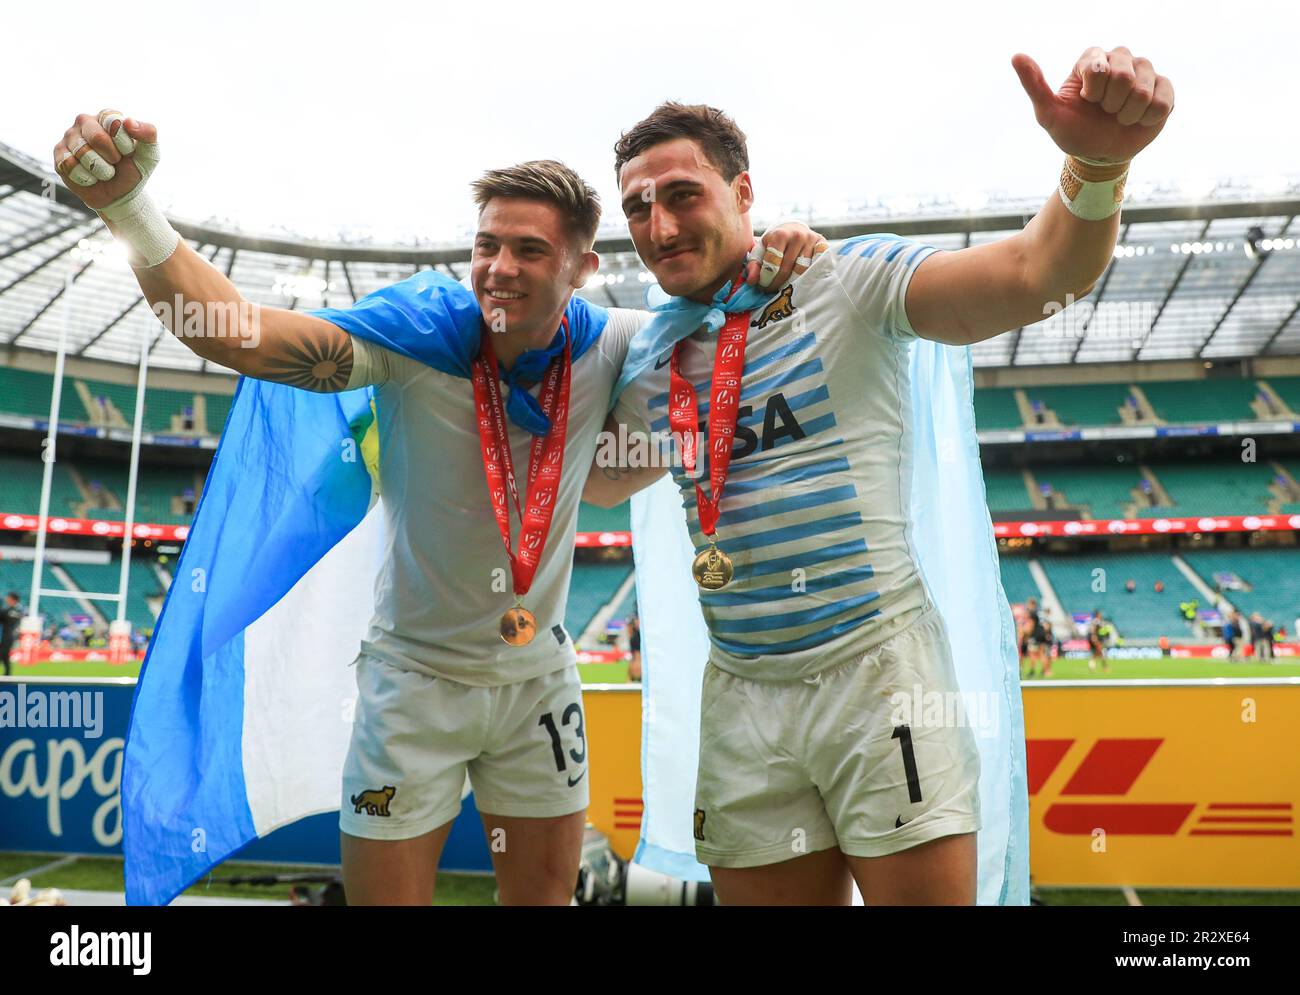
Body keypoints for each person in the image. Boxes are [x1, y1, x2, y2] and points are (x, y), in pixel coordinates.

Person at [54, 108, 823, 906]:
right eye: (487, 245)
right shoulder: (411, 338)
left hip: (538, 683)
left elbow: (725, 310)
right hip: (410, 681)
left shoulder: (618, 343)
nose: (499, 267)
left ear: (582, 268)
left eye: (530, 250)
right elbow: (239, 336)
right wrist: (131, 211)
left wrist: (789, 249)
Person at [586, 44, 1173, 905]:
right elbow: (592, 483)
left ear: (744, 193)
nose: (659, 225)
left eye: (682, 194)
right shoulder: (653, 356)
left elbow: (1037, 274)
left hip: (878, 674)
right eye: (638, 206)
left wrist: (1097, 161)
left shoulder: (846, 282)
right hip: (742, 689)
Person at [0, 592, 23, 677]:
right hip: (9, 636)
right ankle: (7, 674)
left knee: (2, 654)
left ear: (12, 599)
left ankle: (7, 674)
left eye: (8, 598)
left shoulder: (10, 611)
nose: (6, 599)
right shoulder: (18, 610)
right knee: (5, 656)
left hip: (7, 636)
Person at [625, 613, 642, 682]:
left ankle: (630, 680)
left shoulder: (635, 634)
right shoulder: (634, 635)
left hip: (637, 656)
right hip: (636, 654)